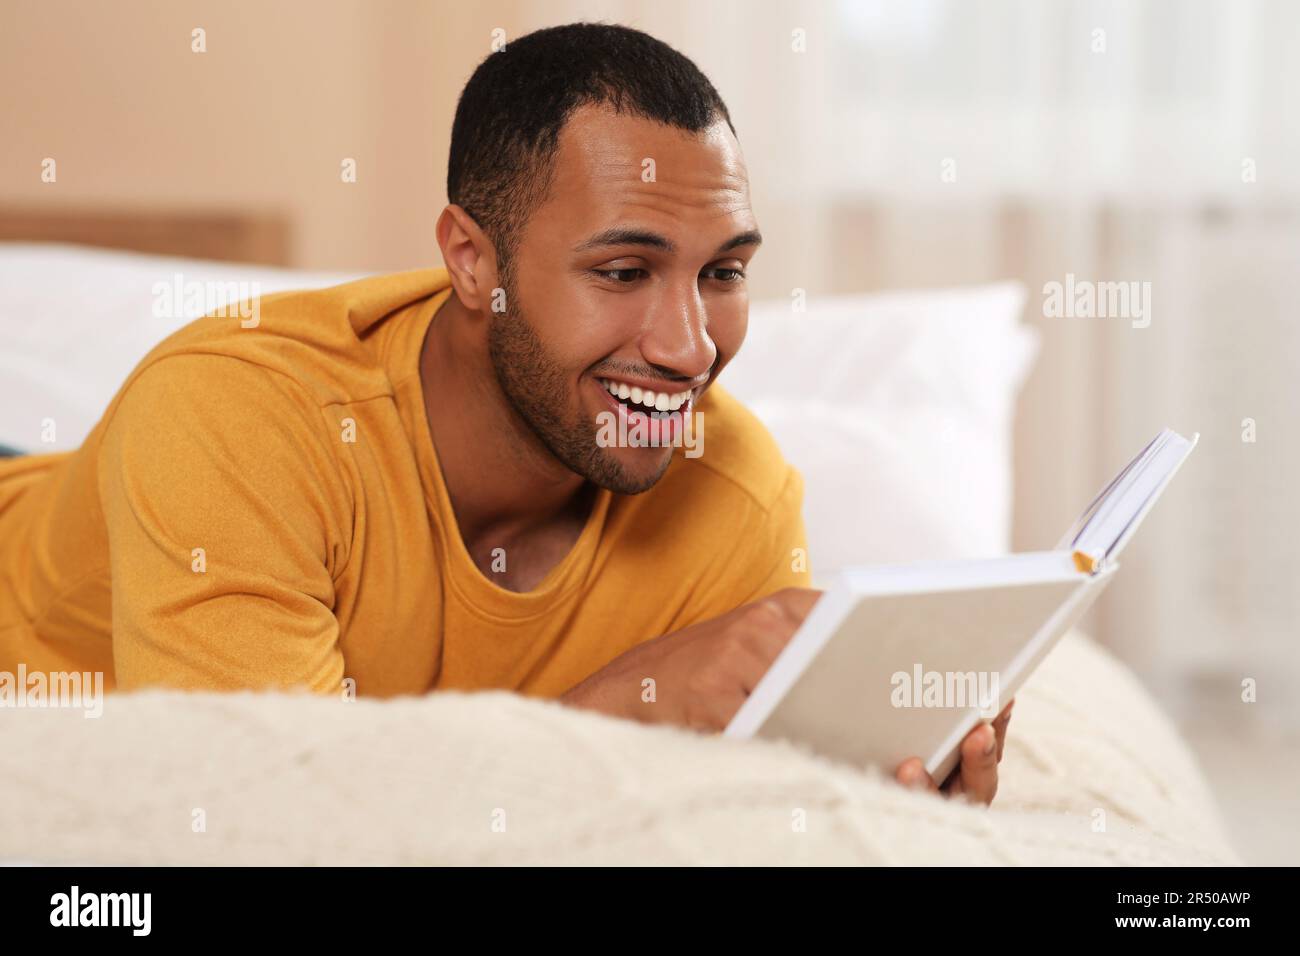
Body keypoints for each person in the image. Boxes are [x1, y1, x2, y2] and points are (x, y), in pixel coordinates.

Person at [0, 23, 1010, 802]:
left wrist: (883, 782)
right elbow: (260, 822)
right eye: (623, 269)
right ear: (471, 260)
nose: (691, 347)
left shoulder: (731, 490)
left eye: (724, 272)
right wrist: (632, 695)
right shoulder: (238, 417)